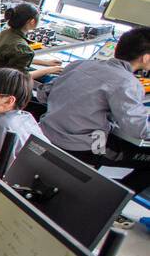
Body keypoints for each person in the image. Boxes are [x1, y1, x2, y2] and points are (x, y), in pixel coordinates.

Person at [38, 26, 150, 193]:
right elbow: (137, 129)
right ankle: (110, 199)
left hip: (45, 133)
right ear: (146, 58)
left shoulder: (79, 64)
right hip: (83, 146)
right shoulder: (127, 82)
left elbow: (43, 95)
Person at [0, 3, 62, 88]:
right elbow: (21, 77)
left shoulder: (3, 34)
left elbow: (6, 58)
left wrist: (45, 63)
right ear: (32, 21)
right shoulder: (21, 46)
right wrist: (49, 70)